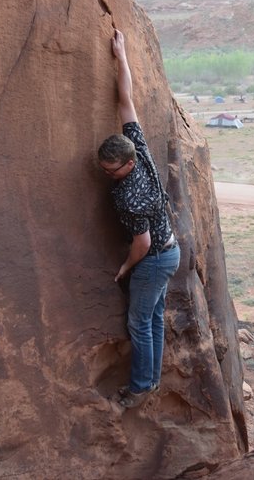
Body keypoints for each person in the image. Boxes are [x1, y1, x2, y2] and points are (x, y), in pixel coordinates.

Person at [97, 30, 181, 409]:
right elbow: (126, 100)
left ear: (128, 164)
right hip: (170, 251)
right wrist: (121, 55)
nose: (107, 174)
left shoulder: (131, 194)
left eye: (112, 170)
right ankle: (152, 380)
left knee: (139, 324)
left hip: (152, 259)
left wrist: (124, 269)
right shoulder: (139, 147)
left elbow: (141, 243)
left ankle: (140, 388)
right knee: (155, 318)